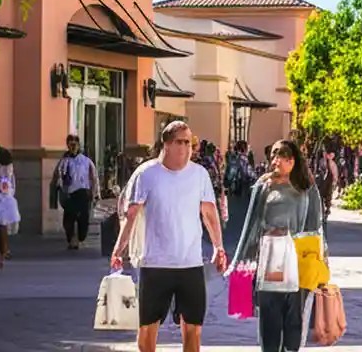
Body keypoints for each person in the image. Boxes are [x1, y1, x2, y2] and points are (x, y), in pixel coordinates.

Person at [111, 122, 227, 352]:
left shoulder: (199, 174)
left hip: (190, 264)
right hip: (155, 264)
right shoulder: (146, 174)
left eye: (189, 142)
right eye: (180, 142)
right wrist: (118, 250)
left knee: (193, 327)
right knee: (147, 327)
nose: (186, 148)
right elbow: (131, 215)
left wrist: (218, 246)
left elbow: (209, 213)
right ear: (166, 144)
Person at [228, 139, 324, 352]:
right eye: (273, 155)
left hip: (298, 258)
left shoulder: (306, 187)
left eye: (281, 156)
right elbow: (252, 223)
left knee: (293, 316)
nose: (275, 161)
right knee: (269, 313)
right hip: (270, 256)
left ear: (293, 160)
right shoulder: (264, 185)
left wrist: (321, 265)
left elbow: (317, 227)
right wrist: (243, 260)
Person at [53, 134, 99, 250]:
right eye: (71, 143)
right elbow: (57, 177)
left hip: (83, 192)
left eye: (75, 144)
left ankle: (80, 238)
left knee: (83, 218)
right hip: (69, 193)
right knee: (68, 219)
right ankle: (72, 239)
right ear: (68, 145)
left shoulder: (86, 161)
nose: (73, 146)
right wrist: (57, 191)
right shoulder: (63, 162)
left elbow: (93, 177)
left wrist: (95, 193)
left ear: (78, 146)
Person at [0, 146, 20, 272]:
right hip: (8, 199)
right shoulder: (10, 167)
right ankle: (3, 251)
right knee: (3, 228)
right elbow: (11, 183)